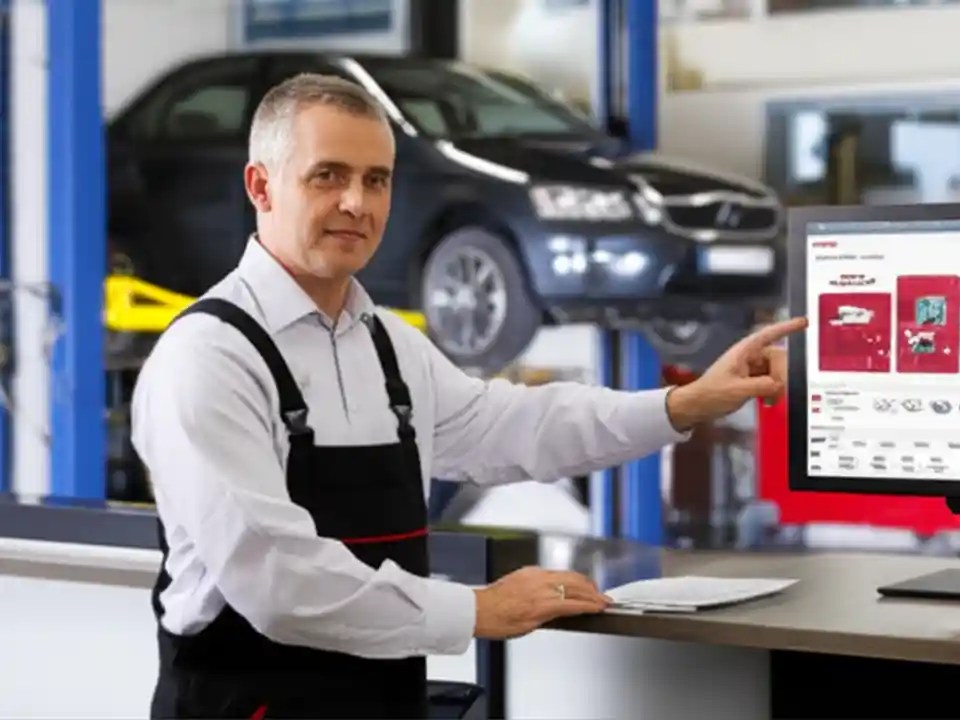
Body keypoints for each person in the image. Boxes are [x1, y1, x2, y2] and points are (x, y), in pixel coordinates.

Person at [131, 72, 805, 719]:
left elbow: (517, 425)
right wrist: (479, 610)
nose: (357, 204)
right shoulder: (210, 357)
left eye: (377, 180)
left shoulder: (389, 347)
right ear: (261, 185)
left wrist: (685, 405)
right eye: (328, 175)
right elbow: (278, 581)